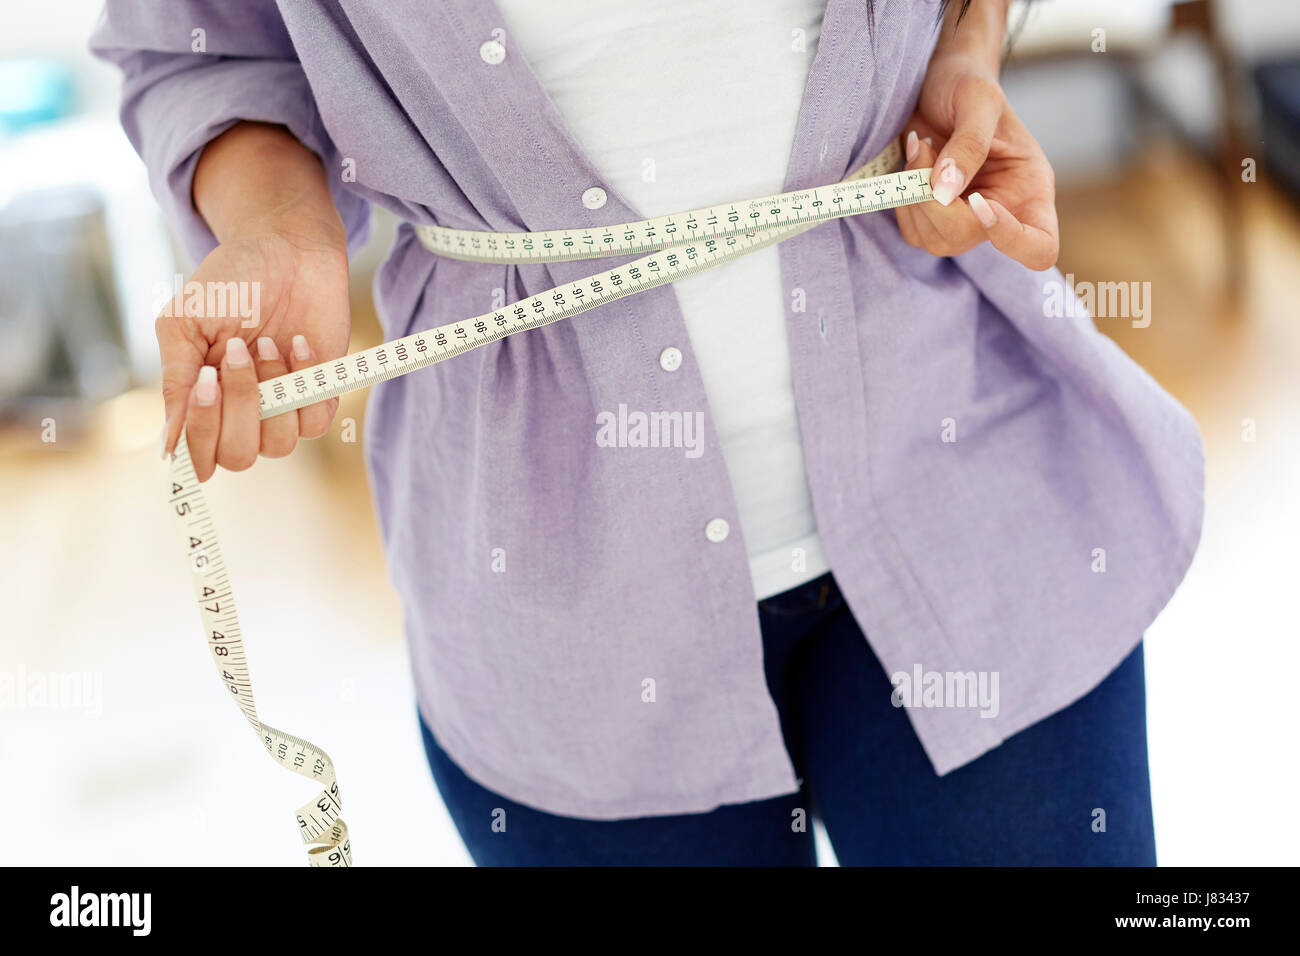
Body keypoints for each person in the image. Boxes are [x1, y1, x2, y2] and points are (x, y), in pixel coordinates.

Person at [92, 0, 1204, 865]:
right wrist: (278, 218)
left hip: (974, 481)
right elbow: (198, 45)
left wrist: (965, 46)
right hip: (559, 595)